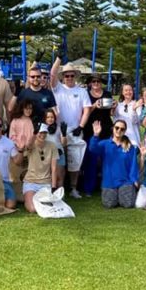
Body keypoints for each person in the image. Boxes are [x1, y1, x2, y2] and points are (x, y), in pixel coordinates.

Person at [49, 59, 91, 199]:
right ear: (63, 77)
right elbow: (52, 75)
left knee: (75, 162)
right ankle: (59, 187)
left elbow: (86, 110)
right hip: (58, 130)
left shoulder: (82, 91)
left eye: (72, 75)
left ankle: (73, 188)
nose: (69, 78)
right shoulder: (58, 87)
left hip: (75, 130)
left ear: (75, 76)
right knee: (59, 160)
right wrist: (58, 60)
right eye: (66, 75)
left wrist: (81, 126)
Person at [88, 119, 139, 208]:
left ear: (125, 131)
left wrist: (134, 179)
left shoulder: (130, 147)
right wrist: (96, 135)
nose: (119, 130)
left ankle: (123, 194)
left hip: (125, 181)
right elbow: (93, 149)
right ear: (113, 128)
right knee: (109, 204)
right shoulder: (105, 144)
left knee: (128, 204)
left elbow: (133, 165)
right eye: (117, 128)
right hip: (109, 182)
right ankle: (118, 195)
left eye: (122, 129)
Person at [80, 74, 113, 197]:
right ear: (89, 83)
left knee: (107, 159)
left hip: (106, 130)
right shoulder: (86, 94)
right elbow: (84, 112)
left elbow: (111, 112)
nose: (96, 83)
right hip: (90, 129)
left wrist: (113, 107)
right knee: (90, 160)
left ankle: (107, 187)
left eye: (98, 81)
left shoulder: (107, 94)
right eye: (93, 81)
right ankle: (88, 188)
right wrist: (94, 106)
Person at [13, 125, 55, 214]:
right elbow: (28, 145)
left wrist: (54, 187)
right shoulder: (32, 144)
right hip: (31, 182)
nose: (42, 135)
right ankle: (28, 200)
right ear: (36, 133)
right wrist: (34, 134)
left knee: (48, 207)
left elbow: (54, 168)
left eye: (44, 132)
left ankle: (35, 198)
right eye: (40, 132)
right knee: (32, 209)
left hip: (45, 183)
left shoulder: (52, 145)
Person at [42, 109, 66, 190]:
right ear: (44, 118)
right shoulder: (42, 129)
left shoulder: (59, 128)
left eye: (52, 117)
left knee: (59, 176)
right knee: (48, 177)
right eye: (48, 117)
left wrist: (64, 134)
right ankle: (49, 195)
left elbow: (64, 143)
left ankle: (60, 197)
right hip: (47, 155)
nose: (50, 119)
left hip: (59, 154)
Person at [113, 83, 142, 148]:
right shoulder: (118, 106)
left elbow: (135, 121)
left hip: (133, 139)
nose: (128, 92)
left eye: (130, 90)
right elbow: (115, 122)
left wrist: (134, 110)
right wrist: (113, 108)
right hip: (119, 139)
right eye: (126, 90)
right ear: (122, 93)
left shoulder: (137, 105)